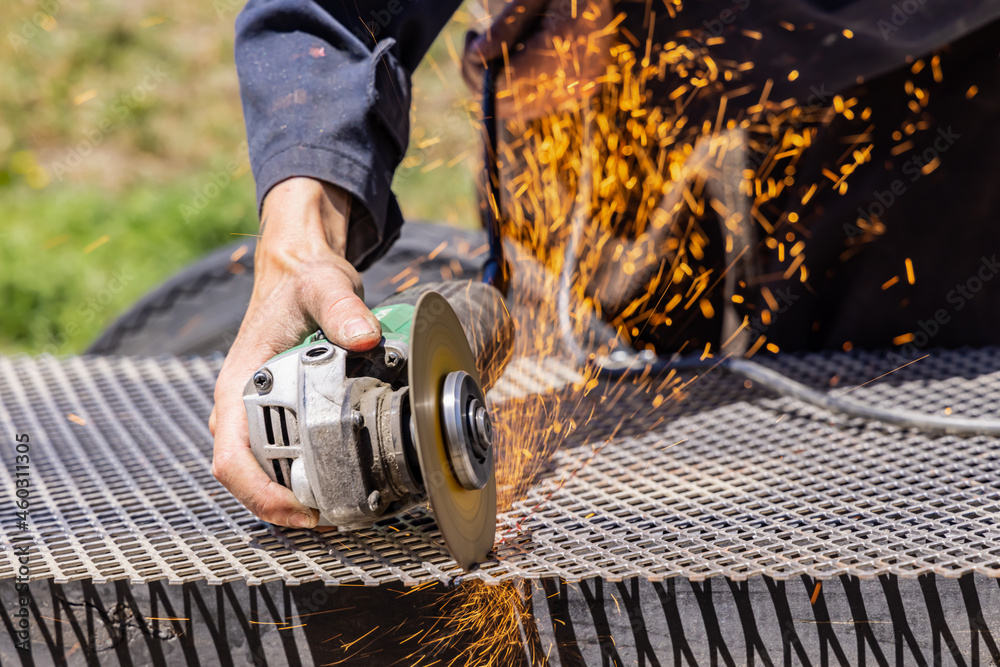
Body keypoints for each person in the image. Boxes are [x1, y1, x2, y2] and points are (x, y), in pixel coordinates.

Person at [212, 0, 1000, 527]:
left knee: (880, 514)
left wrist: (657, 23)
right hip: (598, 154)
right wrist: (301, 224)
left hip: (907, 159)